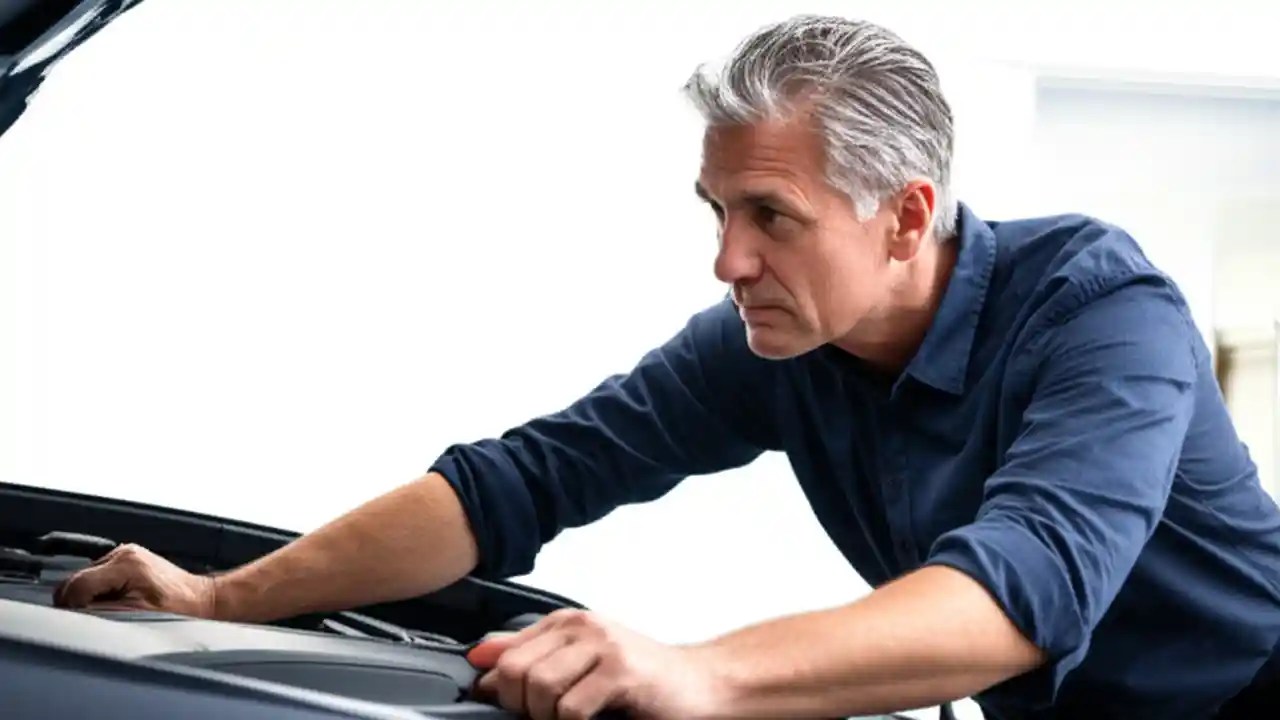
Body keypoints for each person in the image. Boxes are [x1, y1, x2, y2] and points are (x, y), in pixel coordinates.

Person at [54, 13, 1280, 720]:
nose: (726, 259)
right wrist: (222, 597)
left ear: (904, 217)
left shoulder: (1097, 313)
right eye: (713, 211)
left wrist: (699, 673)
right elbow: (514, 484)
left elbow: (1018, 592)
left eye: (769, 215)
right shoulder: (771, 341)